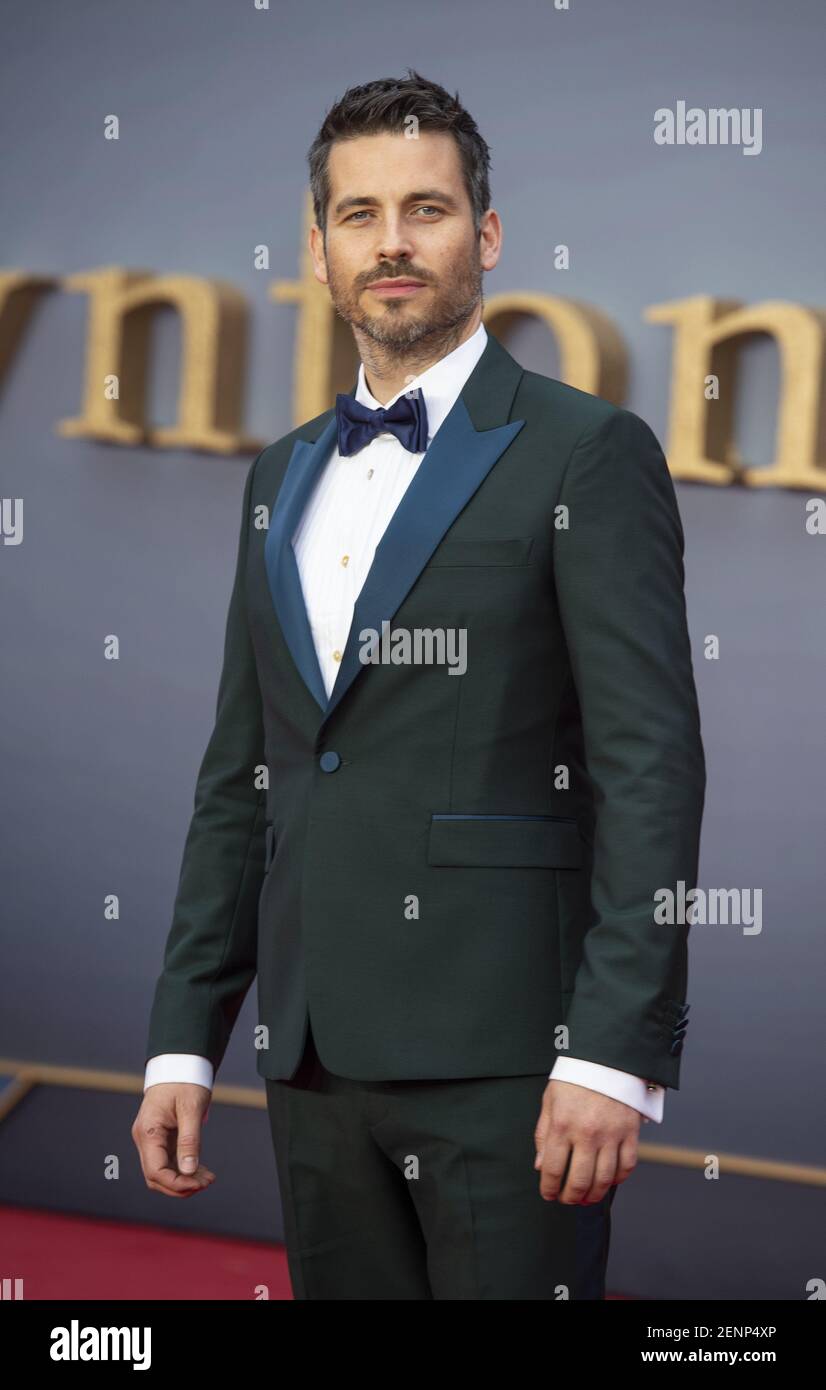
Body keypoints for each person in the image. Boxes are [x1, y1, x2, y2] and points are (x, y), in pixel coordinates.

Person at [132, 69, 705, 1300]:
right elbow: (245, 775)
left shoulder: (584, 449)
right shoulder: (278, 474)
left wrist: (610, 1053)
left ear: (485, 236)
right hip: (312, 1056)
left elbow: (649, 765)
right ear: (318, 248)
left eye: (427, 210)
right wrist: (185, 1035)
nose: (392, 243)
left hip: (514, 1062)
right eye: (358, 214)